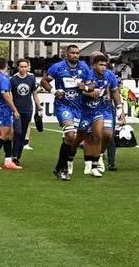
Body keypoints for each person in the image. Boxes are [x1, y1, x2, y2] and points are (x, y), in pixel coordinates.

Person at [42, 45, 94, 181]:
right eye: (72, 53)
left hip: (78, 107)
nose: (75, 55)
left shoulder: (84, 67)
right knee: (70, 135)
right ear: (67, 54)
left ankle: (59, 167)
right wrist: (54, 91)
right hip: (63, 105)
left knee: (71, 139)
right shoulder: (58, 67)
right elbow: (44, 81)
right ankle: (63, 169)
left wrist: (85, 87)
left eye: (77, 53)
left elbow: (92, 84)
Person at [79, 53, 121, 178]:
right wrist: (89, 93)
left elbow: (115, 91)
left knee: (107, 134)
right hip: (88, 108)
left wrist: (120, 108)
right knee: (90, 136)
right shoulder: (86, 73)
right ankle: (89, 163)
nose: (103, 67)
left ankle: (99, 155)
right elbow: (79, 89)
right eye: (100, 64)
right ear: (93, 63)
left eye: (105, 65)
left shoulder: (109, 75)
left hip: (105, 108)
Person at [9, 59, 40, 166]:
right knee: (17, 132)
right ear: (18, 67)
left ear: (28, 67)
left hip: (28, 109)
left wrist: (39, 106)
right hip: (17, 110)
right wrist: (13, 109)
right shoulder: (13, 80)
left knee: (23, 134)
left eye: (25, 66)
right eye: (21, 66)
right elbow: (10, 96)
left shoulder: (31, 79)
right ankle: (13, 155)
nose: (23, 68)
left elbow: (34, 94)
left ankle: (17, 157)